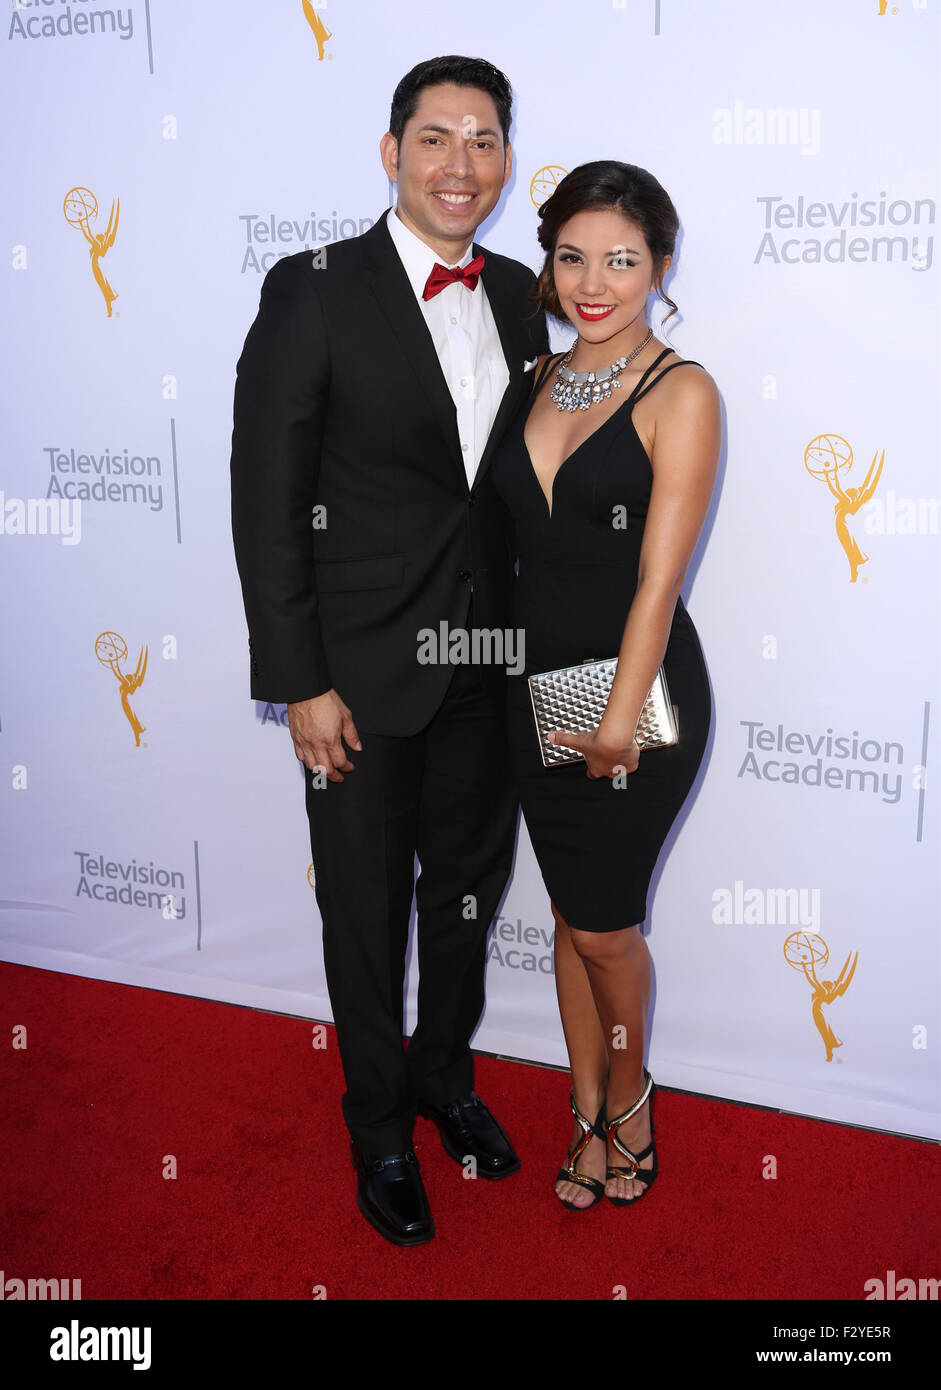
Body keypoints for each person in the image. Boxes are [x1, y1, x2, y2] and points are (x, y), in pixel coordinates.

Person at [229, 56, 550, 1245]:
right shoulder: (312, 289)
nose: (459, 163)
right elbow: (265, 501)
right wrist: (298, 677)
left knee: (464, 896)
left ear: (505, 159)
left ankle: (442, 1079)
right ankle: (376, 1127)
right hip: (354, 678)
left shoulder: (522, 292)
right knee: (363, 912)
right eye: (434, 138)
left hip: (486, 665)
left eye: (481, 139)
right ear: (390, 152)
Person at [490, 161, 720, 1209]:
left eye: (620, 260)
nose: (593, 281)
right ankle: (583, 1111)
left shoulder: (683, 392)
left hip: (637, 695)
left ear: (658, 268)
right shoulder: (531, 383)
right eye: (572, 256)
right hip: (531, 689)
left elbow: (657, 581)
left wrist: (618, 715)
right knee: (569, 912)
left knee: (601, 926)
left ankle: (628, 1102)